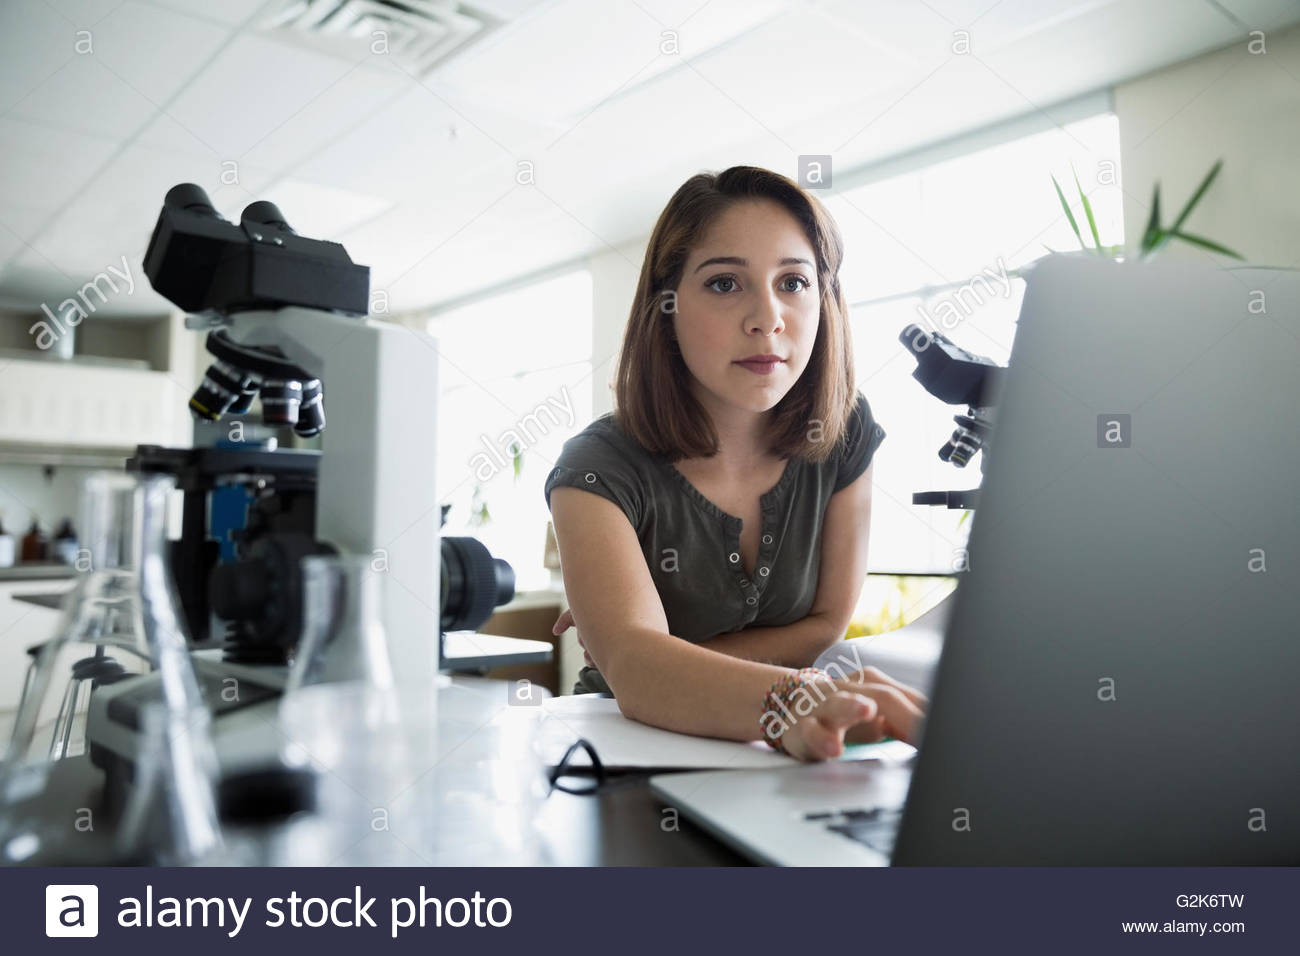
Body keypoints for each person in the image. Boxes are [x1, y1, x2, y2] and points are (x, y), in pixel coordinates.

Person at [543, 166, 927, 762]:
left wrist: (662, 655)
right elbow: (636, 674)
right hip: (625, 748)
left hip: (781, 750)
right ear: (665, 308)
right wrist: (782, 696)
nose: (767, 317)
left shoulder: (843, 433)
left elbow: (826, 623)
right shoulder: (596, 467)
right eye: (725, 284)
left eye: (794, 282)